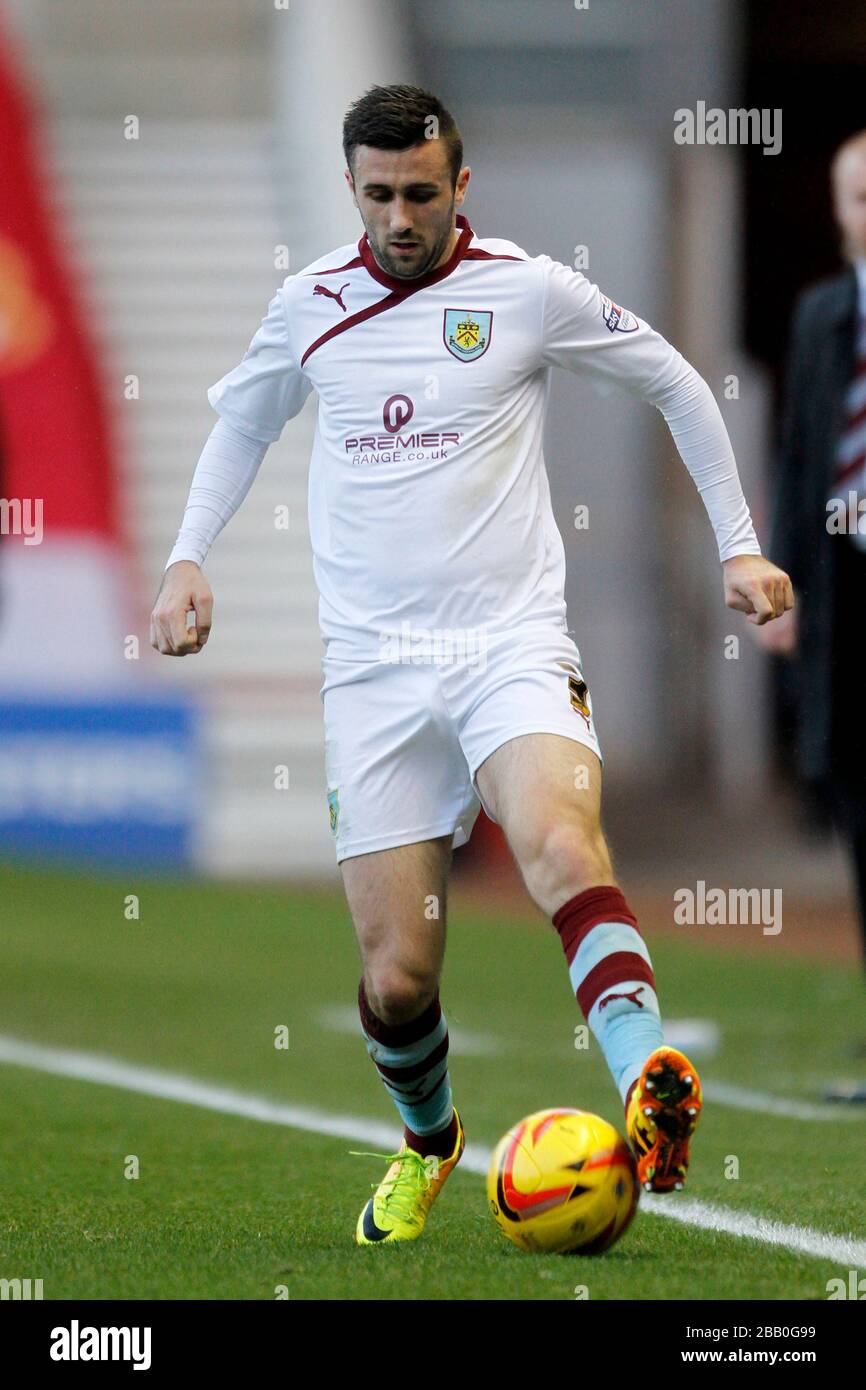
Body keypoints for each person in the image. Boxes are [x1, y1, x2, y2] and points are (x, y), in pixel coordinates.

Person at [151, 85, 792, 1244]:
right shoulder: (308, 308)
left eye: (420, 192)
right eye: (378, 194)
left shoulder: (525, 290)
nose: (400, 215)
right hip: (374, 675)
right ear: (354, 190)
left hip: (510, 646)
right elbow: (242, 424)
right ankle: (431, 1137)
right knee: (397, 980)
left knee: (557, 841)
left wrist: (737, 545)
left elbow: (675, 382)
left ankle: (645, 1080)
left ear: (461, 184)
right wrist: (187, 560)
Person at [762, 129, 866, 982]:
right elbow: (799, 459)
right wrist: (781, 581)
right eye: (859, 195)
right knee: (852, 800)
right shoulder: (821, 316)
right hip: (839, 586)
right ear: (839, 209)